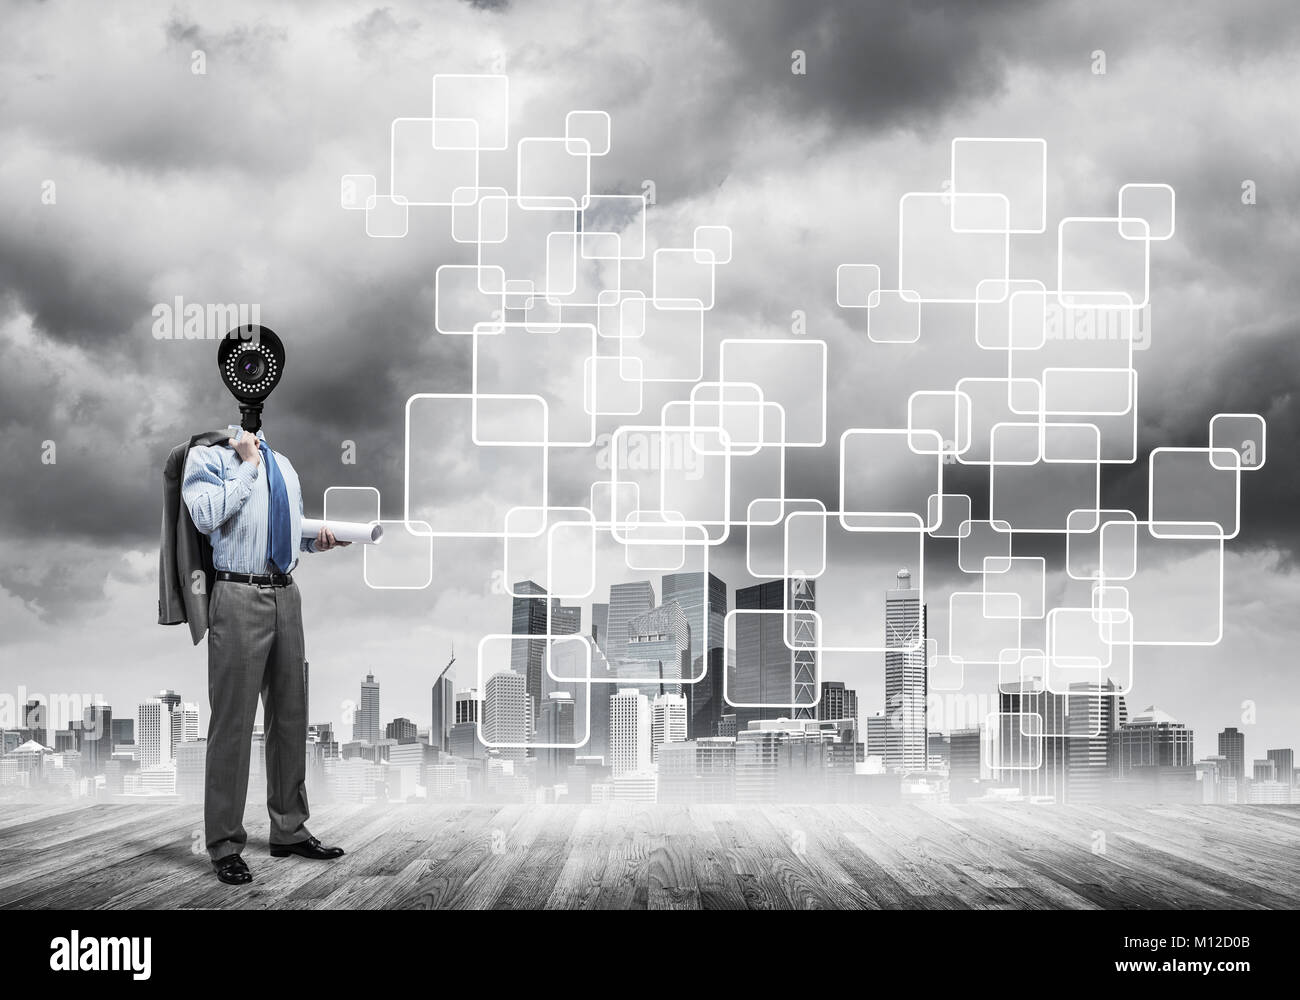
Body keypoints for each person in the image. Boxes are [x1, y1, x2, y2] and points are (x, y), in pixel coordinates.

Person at [181, 424, 348, 885]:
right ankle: (224, 845)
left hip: (287, 595)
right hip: (236, 594)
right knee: (232, 725)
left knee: (291, 718)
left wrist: (317, 540)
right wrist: (248, 464)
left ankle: (289, 830)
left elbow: (283, 531)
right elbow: (206, 515)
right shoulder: (209, 458)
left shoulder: (287, 466)